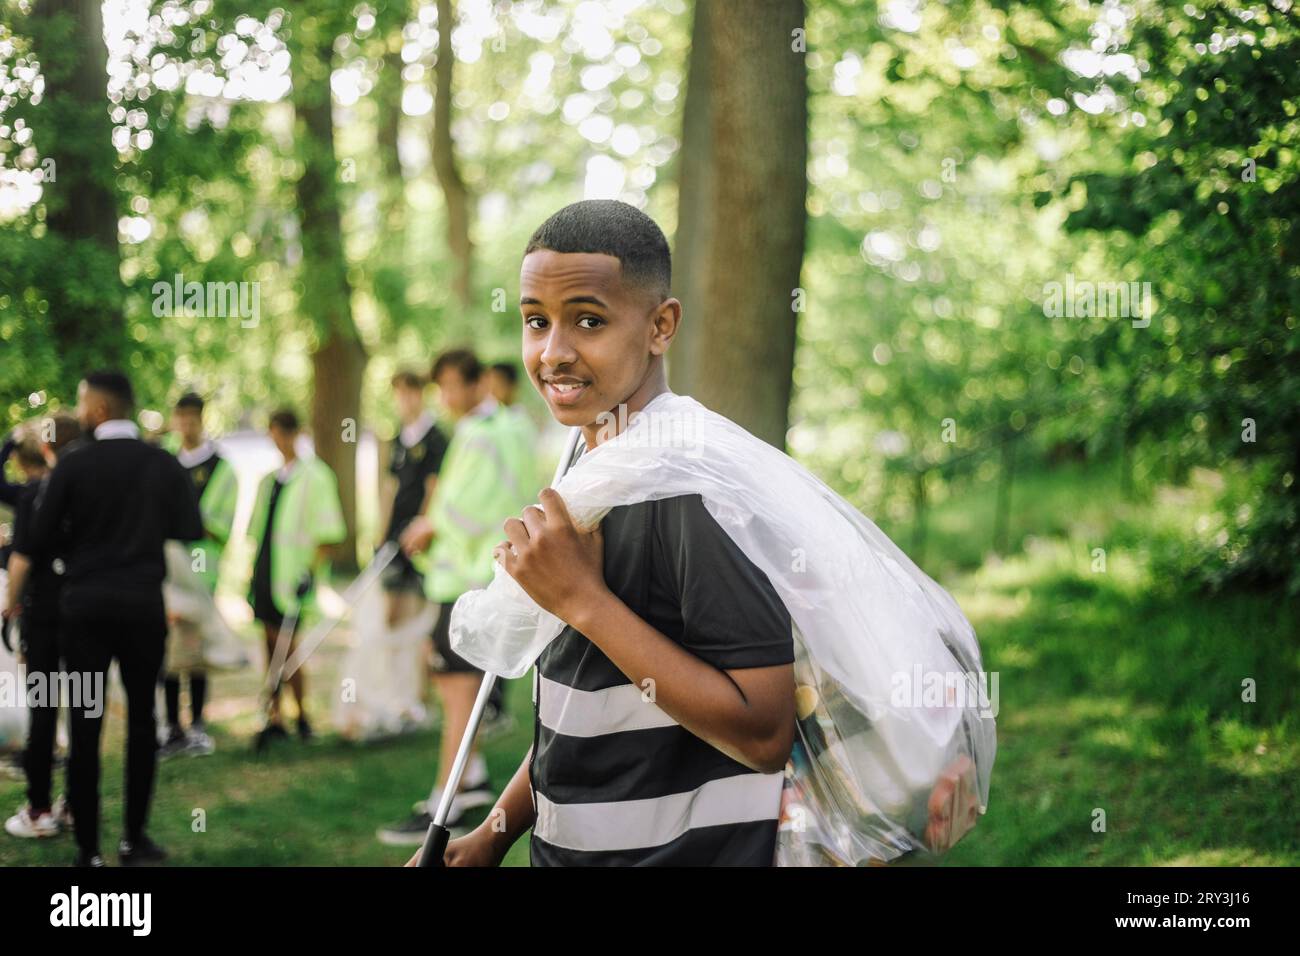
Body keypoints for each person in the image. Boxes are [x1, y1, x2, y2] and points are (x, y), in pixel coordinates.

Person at [408, 201, 797, 867]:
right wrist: (496, 833)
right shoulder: (588, 464)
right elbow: (588, 701)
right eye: (536, 322)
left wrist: (584, 603)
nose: (553, 353)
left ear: (660, 326)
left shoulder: (687, 491)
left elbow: (764, 732)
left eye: (589, 321)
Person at [25, 371, 203, 867]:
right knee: (144, 721)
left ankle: (88, 850)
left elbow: (39, 538)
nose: (79, 414)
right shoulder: (162, 462)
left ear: (99, 410)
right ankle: (134, 840)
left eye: (83, 405)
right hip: (143, 606)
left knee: (85, 726)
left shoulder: (74, 465)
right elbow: (189, 527)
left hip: (84, 610)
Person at [377, 349, 536, 844]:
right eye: (439, 387)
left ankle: (441, 808)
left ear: (477, 383)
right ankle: (475, 779)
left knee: (459, 702)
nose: (444, 398)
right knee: (461, 693)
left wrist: (427, 527)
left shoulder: (478, 433)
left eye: (450, 387)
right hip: (487, 581)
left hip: (464, 583)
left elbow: (459, 508)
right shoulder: (515, 428)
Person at [247, 409, 346, 743]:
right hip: (266, 572)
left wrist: (310, 572)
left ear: (296, 434)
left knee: (288, 649)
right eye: (275, 432)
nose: (280, 440)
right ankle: (274, 715)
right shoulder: (270, 481)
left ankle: (302, 716)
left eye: (285, 433)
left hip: (292, 579)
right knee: (268, 644)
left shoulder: (317, 476)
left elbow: (329, 534)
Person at [2, 415, 80, 839]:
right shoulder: (86, 492)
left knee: (44, 710)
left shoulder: (36, 493)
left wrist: (9, 606)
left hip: (44, 617)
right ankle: (75, 804)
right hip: (82, 615)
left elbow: (22, 558)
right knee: (85, 709)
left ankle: (39, 808)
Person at [158, 392, 239, 759]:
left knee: (197, 644)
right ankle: (173, 725)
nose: (186, 425)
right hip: (167, 567)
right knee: (171, 645)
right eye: (181, 418)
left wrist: (191, 524)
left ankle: (199, 724)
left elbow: (221, 527)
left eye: (192, 418)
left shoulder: (221, 467)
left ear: (201, 419)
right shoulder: (166, 461)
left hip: (202, 568)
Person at [379, 371, 447, 632]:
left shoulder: (436, 439)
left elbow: (434, 488)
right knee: (391, 611)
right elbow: (390, 488)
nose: (405, 400)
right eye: (400, 394)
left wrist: (420, 527)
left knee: (418, 614)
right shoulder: (397, 438)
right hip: (394, 536)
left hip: (420, 540)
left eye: (410, 393)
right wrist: (381, 534)